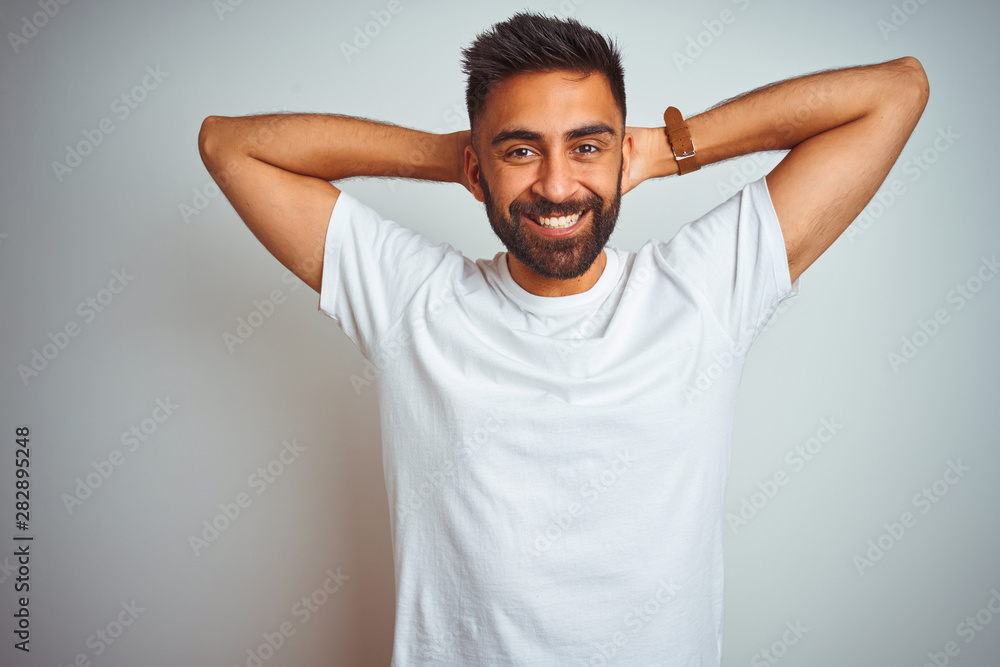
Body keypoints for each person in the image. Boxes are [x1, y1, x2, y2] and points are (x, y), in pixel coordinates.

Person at [198, 11, 928, 666]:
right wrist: (453, 157)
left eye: (587, 147)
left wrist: (676, 147)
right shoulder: (411, 300)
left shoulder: (703, 290)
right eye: (521, 152)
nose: (555, 185)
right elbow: (230, 146)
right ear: (477, 168)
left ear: (622, 155)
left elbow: (896, 90)